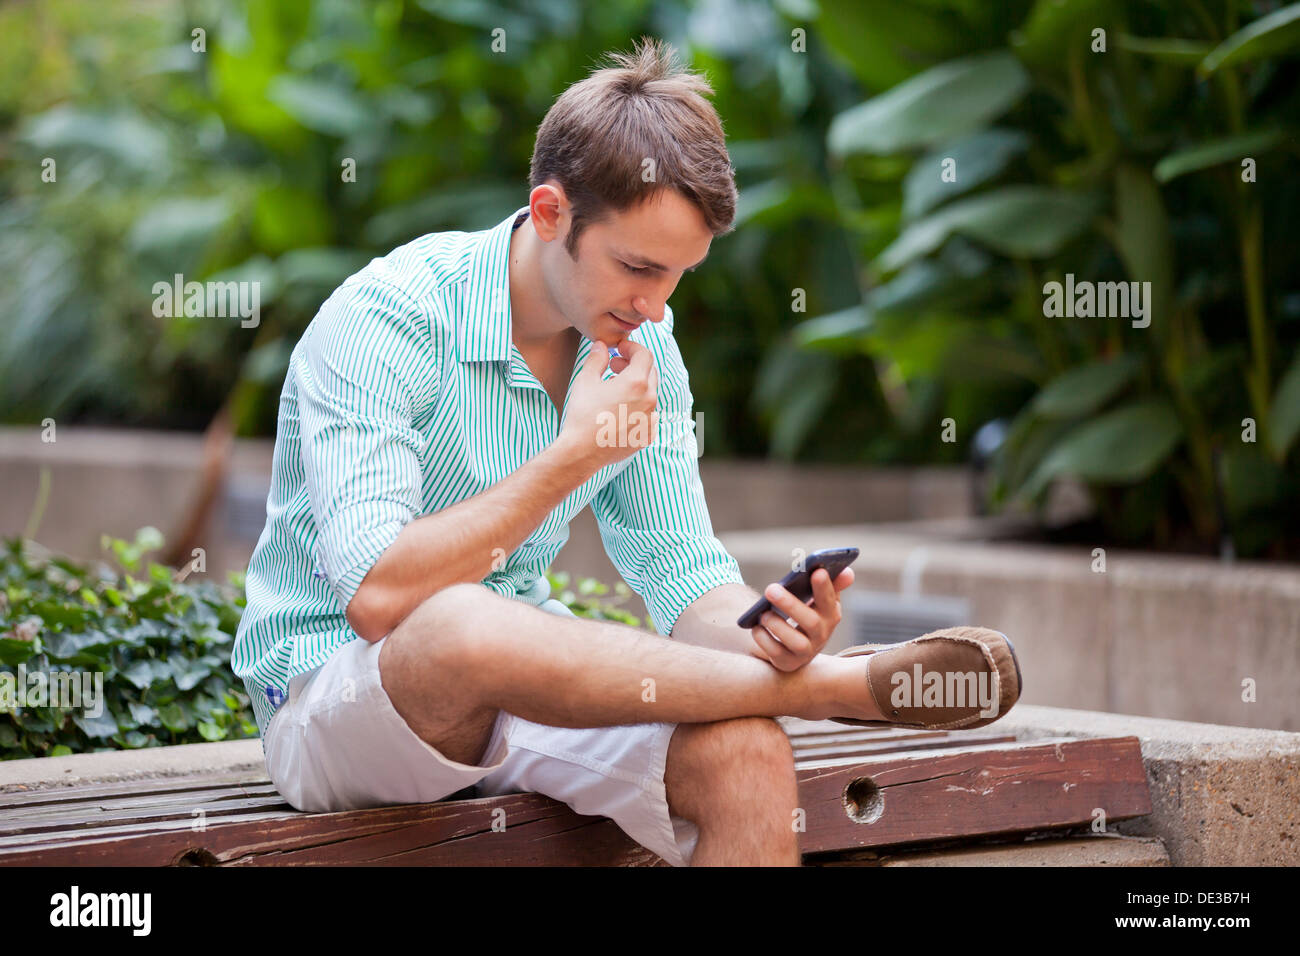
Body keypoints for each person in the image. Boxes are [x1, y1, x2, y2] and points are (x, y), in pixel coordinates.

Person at [231, 37, 1020, 867]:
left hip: (527, 688)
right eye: (637, 266)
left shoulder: (638, 339)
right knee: (461, 622)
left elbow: (683, 577)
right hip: (334, 699)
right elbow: (379, 598)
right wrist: (573, 455)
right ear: (549, 213)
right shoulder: (386, 321)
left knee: (747, 753)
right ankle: (833, 692)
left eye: (679, 274)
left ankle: (793, 680)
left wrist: (763, 632)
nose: (654, 304)